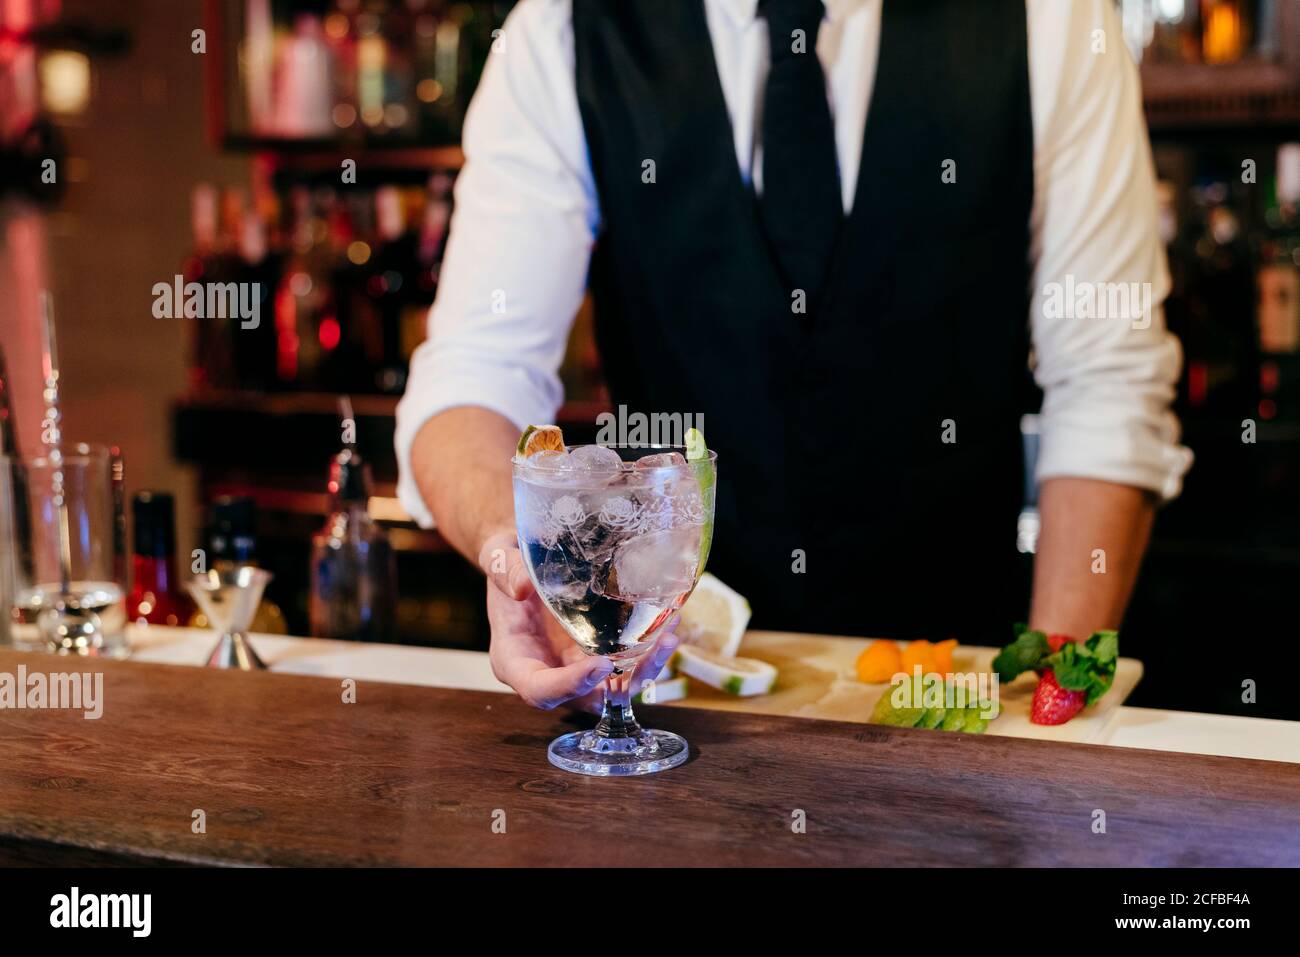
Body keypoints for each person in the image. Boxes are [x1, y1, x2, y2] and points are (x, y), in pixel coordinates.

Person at [396, 0, 1191, 709]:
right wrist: (519, 560)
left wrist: (1050, 702)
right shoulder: (565, 29)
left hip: (949, 693)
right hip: (667, 695)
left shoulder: (1051, 18)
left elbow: (1108, 381)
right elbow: (475, 371)